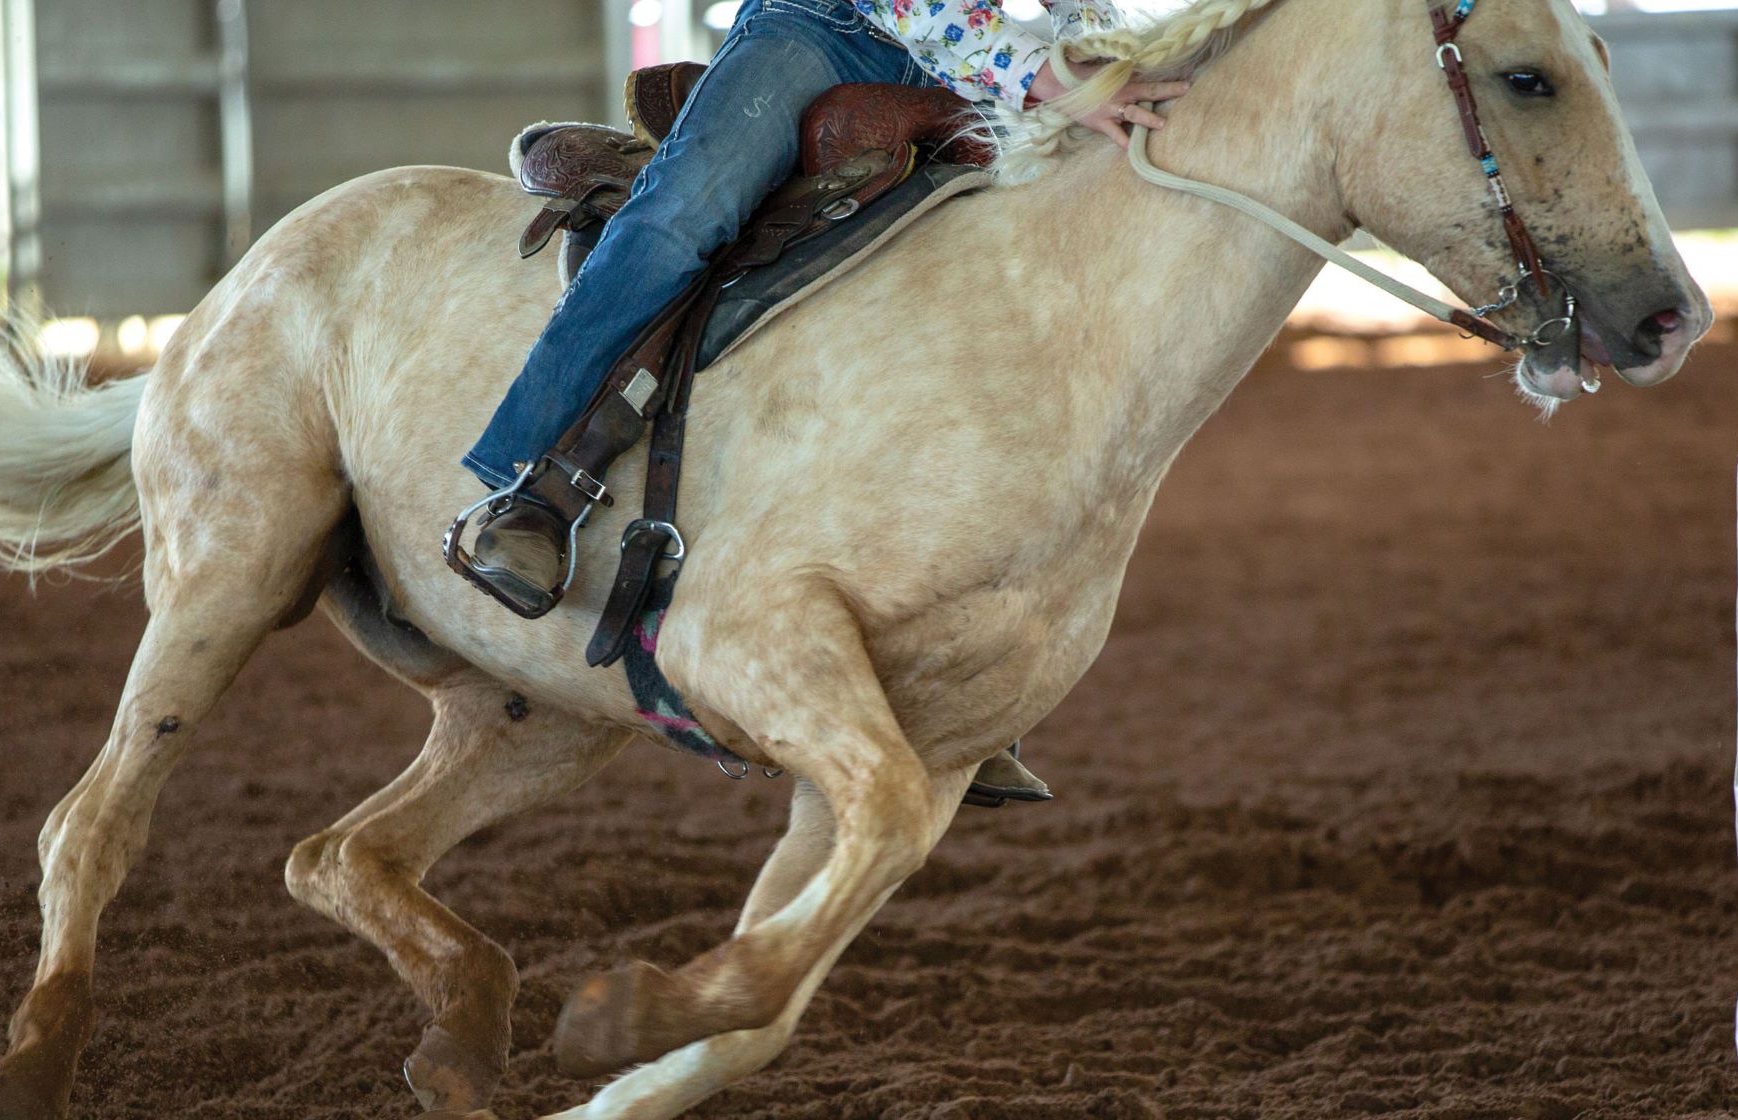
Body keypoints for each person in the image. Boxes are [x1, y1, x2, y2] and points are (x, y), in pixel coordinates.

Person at [452, 0, 1190, 804]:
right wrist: (1048, 77)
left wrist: (1100, 54)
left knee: (1004, 302)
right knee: (684, 211)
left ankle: (955, 659)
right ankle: (539, 483)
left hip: (984, 58)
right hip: (824, 28)